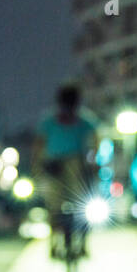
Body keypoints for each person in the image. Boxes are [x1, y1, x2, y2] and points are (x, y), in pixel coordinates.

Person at [33, 84, 98, 258]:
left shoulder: (79, 120)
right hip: (60, 165)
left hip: (68, 164)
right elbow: (39, 144)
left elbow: (39, 145)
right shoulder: (78, 120)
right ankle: (63, 242)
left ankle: (67, 242)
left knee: (68, 204)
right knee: (64, 204)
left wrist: (38, 165)